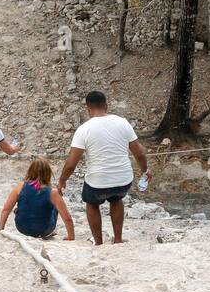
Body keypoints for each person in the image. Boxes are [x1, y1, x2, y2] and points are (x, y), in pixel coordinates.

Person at [56, 91, 151, 245]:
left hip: (97, 182)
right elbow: (139, 153)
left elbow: (71, 163)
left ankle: (98, 242)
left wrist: (62, 181)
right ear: (106, 105)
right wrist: (145, 170)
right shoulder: (123, 122)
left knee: (92, 203)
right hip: (123, 180)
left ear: (88, 109)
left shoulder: (84, 129)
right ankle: (118, 239)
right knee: (117, 199)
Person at [0, 159, 74, 241]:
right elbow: (67, 218)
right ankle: (51, 231)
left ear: (30, 171)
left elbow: (6, 210)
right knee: (56, 205)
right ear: (48, 173)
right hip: (44, 230)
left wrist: (1, 229)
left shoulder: (20, 186)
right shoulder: (53, 192)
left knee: (19, 208)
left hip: (22, 228)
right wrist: (71, 237)